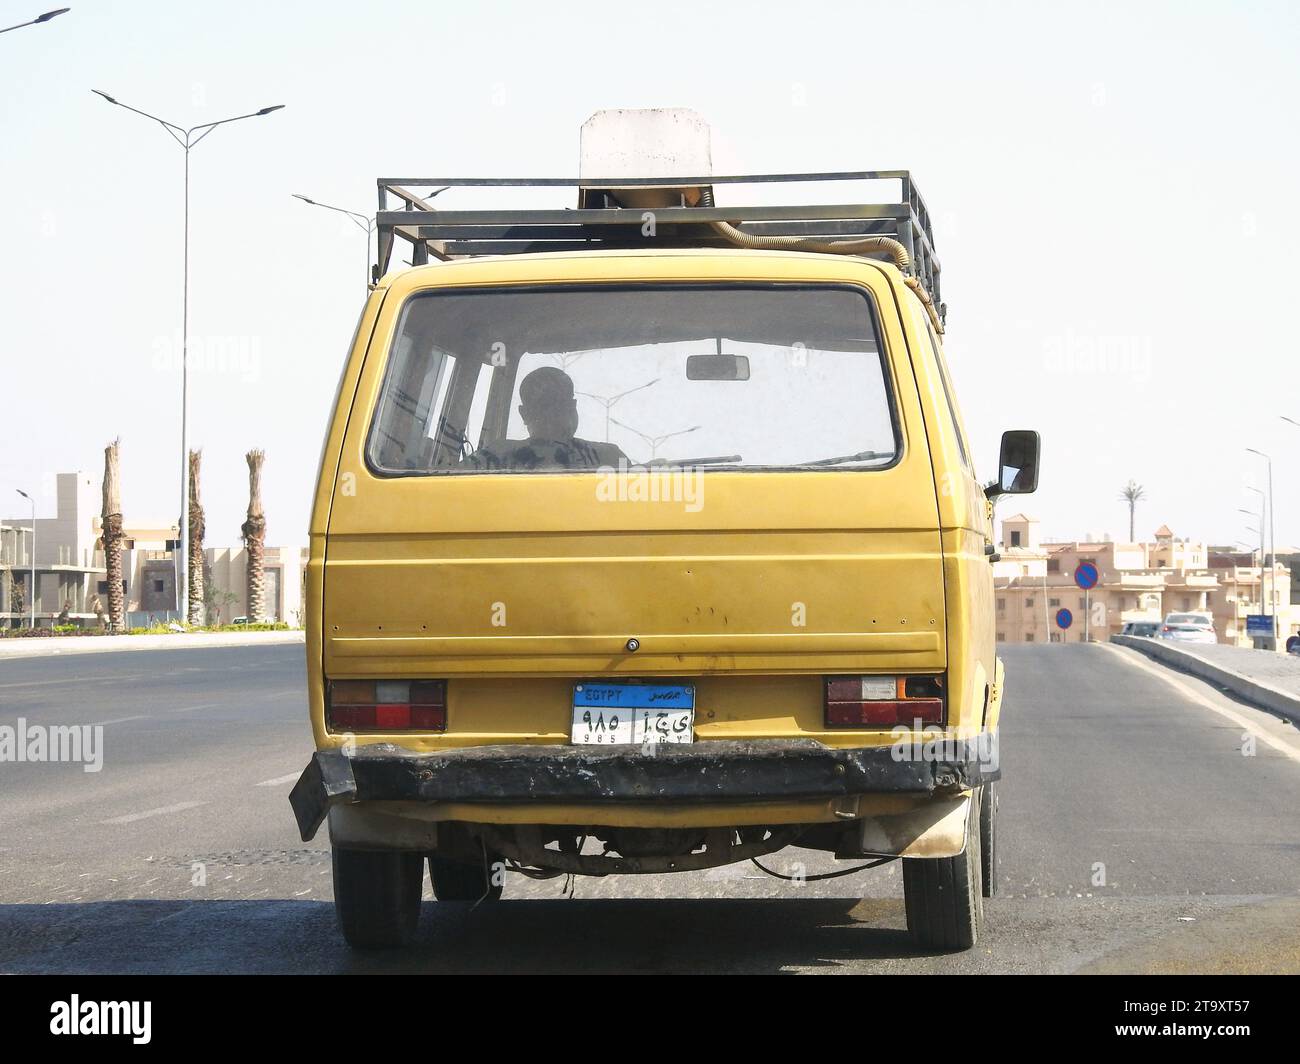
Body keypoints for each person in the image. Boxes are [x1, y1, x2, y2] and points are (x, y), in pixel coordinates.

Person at [463, 366, 630, 471]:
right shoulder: (494, 456)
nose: (553, 415)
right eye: (545, 406)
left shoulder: (609, 456)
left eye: (562, 405)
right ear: (524, 413)